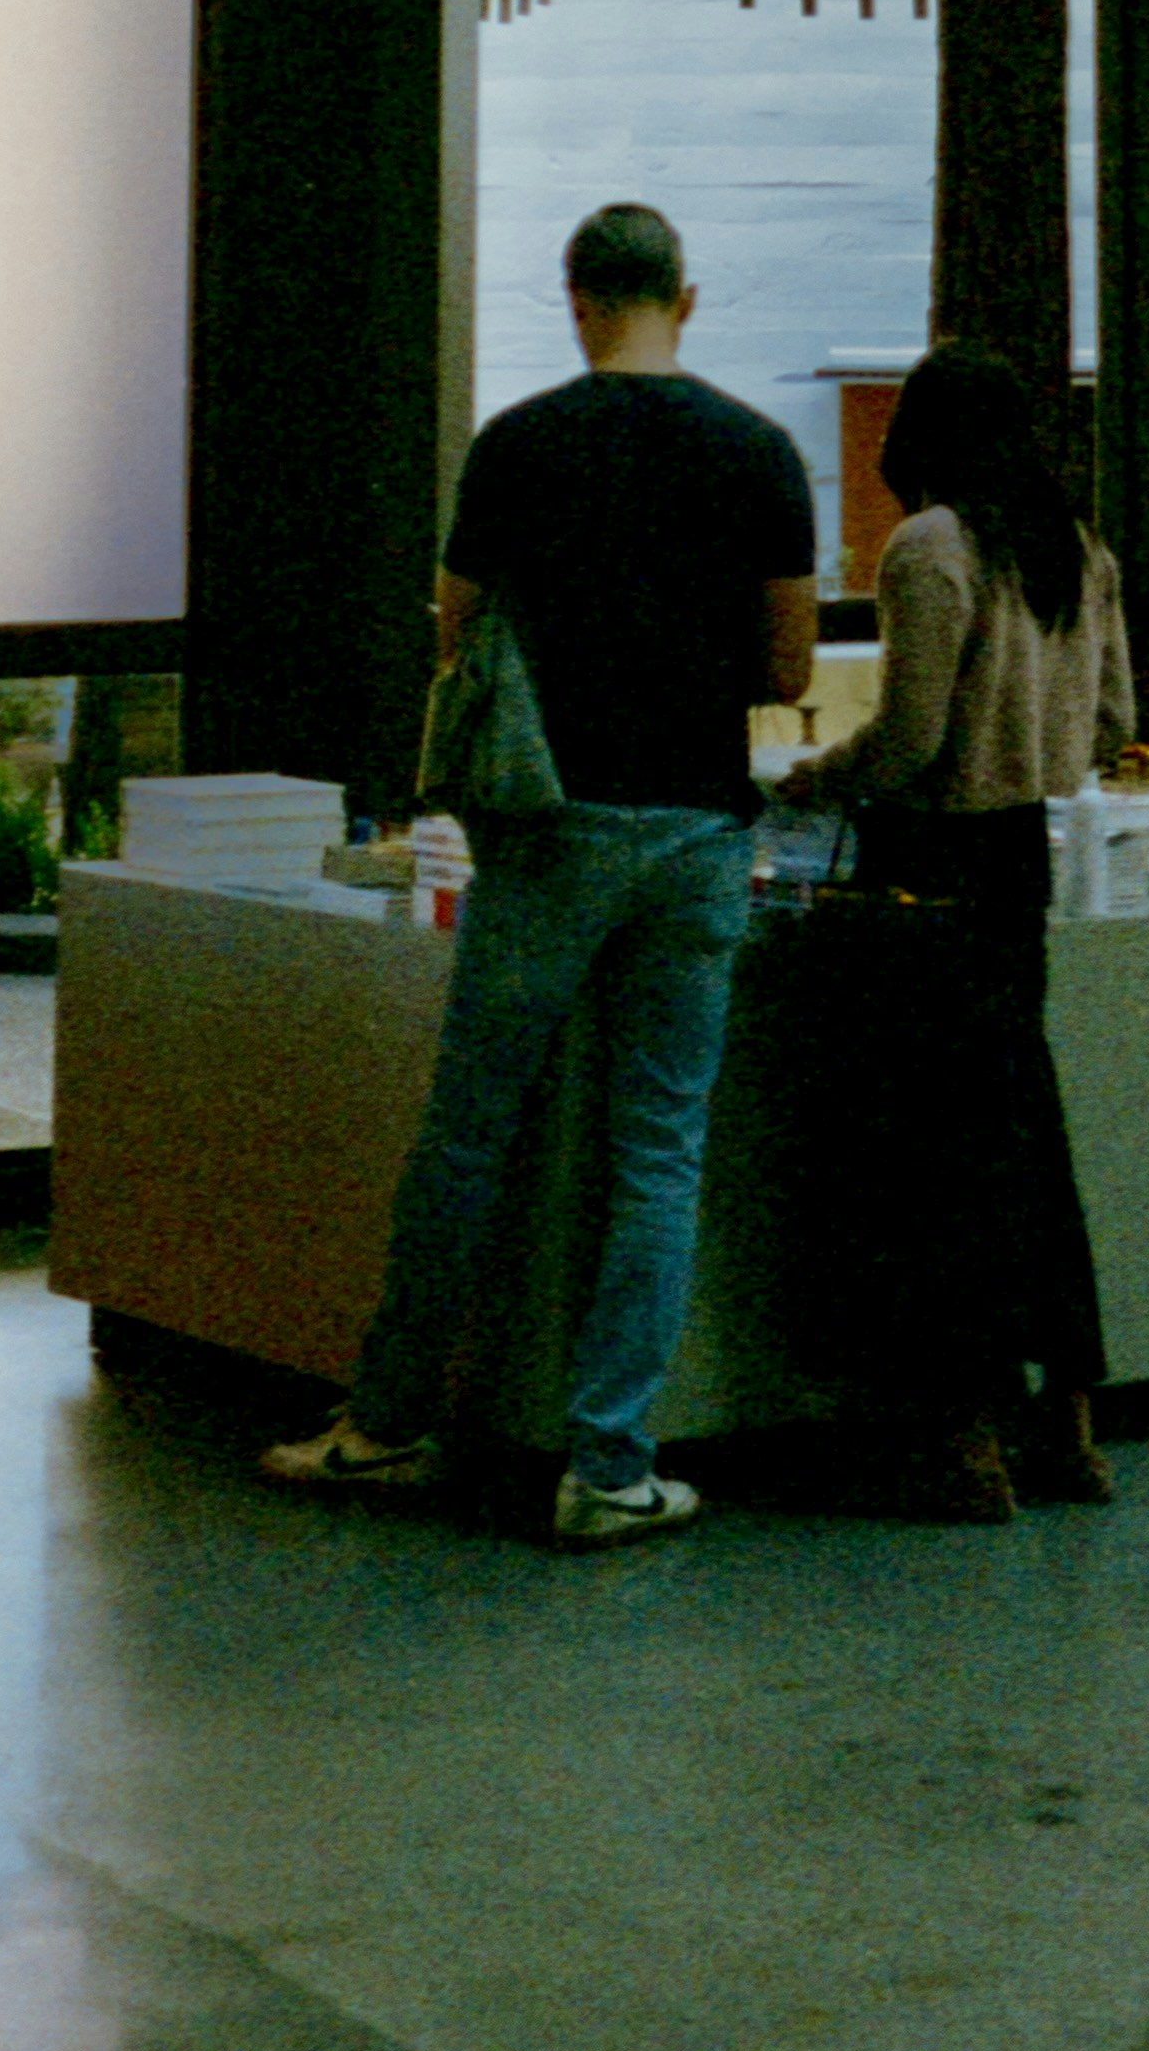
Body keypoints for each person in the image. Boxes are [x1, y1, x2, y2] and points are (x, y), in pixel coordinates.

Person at [264, 202, 816, 1547]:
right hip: (695, 829)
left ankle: (384, 1421)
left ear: (575, 300)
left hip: (547, 826)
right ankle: (609, 1464)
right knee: (657, 1148)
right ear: (683, 297)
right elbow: (788, 669)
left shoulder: (516, 445)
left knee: (468, 1131)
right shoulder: (760, 450)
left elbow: (455, 629)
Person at [811, 347, 1130, 1524]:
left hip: (928, 870)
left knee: (927, 1160)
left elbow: (907, 741)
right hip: (1018, 872)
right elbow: (1115, 719)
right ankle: (1066, 1426)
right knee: (1022, 1137)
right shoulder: (1075, 550)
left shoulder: (929, 548)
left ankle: (957, 1440)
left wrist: (813, 779)